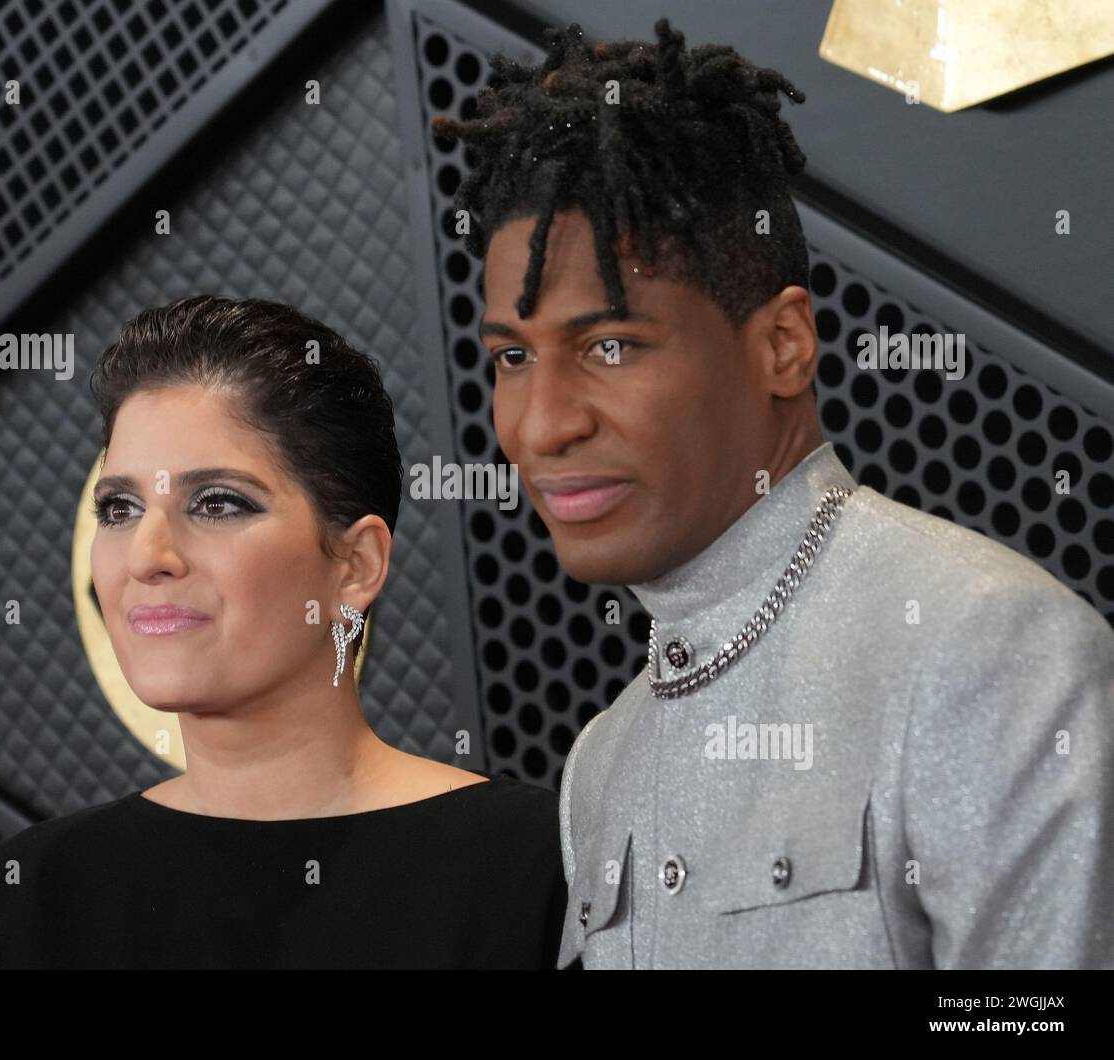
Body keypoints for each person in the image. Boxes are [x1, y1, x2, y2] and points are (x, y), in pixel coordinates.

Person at [432, 20, 1114, 968]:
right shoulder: (602, 760)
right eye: (512, 357)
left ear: (783, 346)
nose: (542, 424)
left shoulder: (984, 647)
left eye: (610, 347)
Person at [0, 295, 569, 969]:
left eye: (217, 503)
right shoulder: (15, 908)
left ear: (356, 563)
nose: (147, 555)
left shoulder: (531, 869)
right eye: (119, 508)